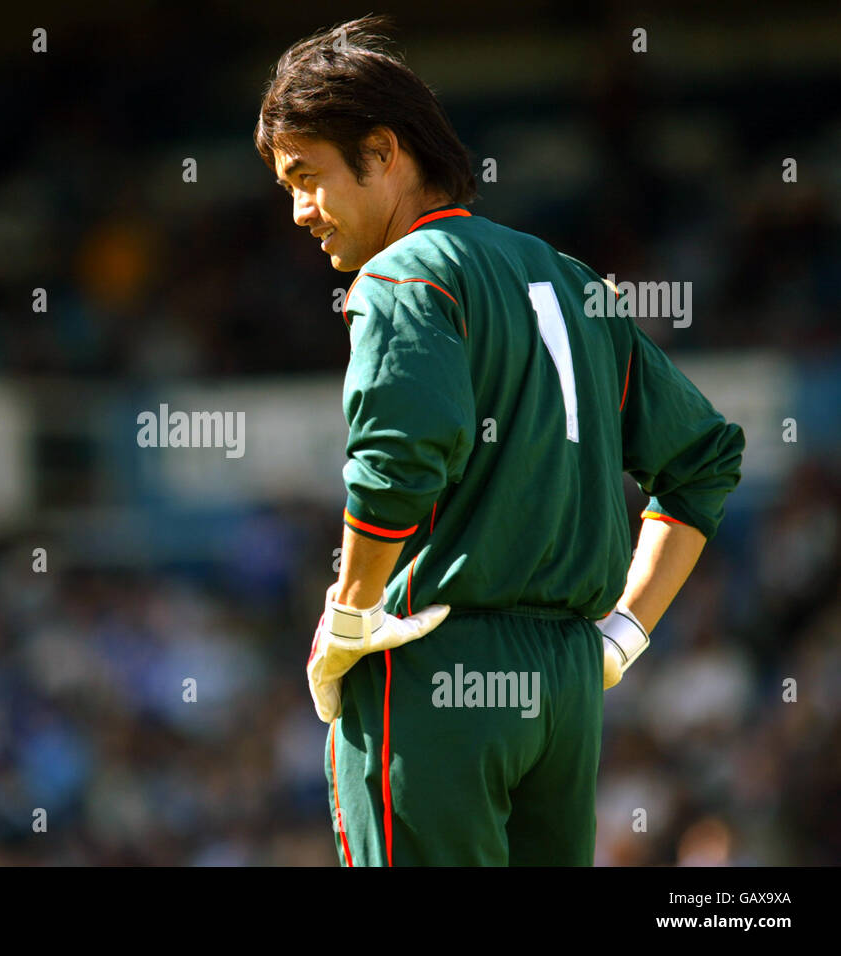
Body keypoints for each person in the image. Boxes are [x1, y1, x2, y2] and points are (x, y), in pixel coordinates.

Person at [255, 15, 745, 866]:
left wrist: (350, 615)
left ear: (381, 152)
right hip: (563, 689)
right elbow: (703, 460)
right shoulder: (570, 277)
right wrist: (626, 631)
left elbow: (400, 459)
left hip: (434, 666)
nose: (299, 210)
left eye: (308, 175)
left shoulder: (402, 274)